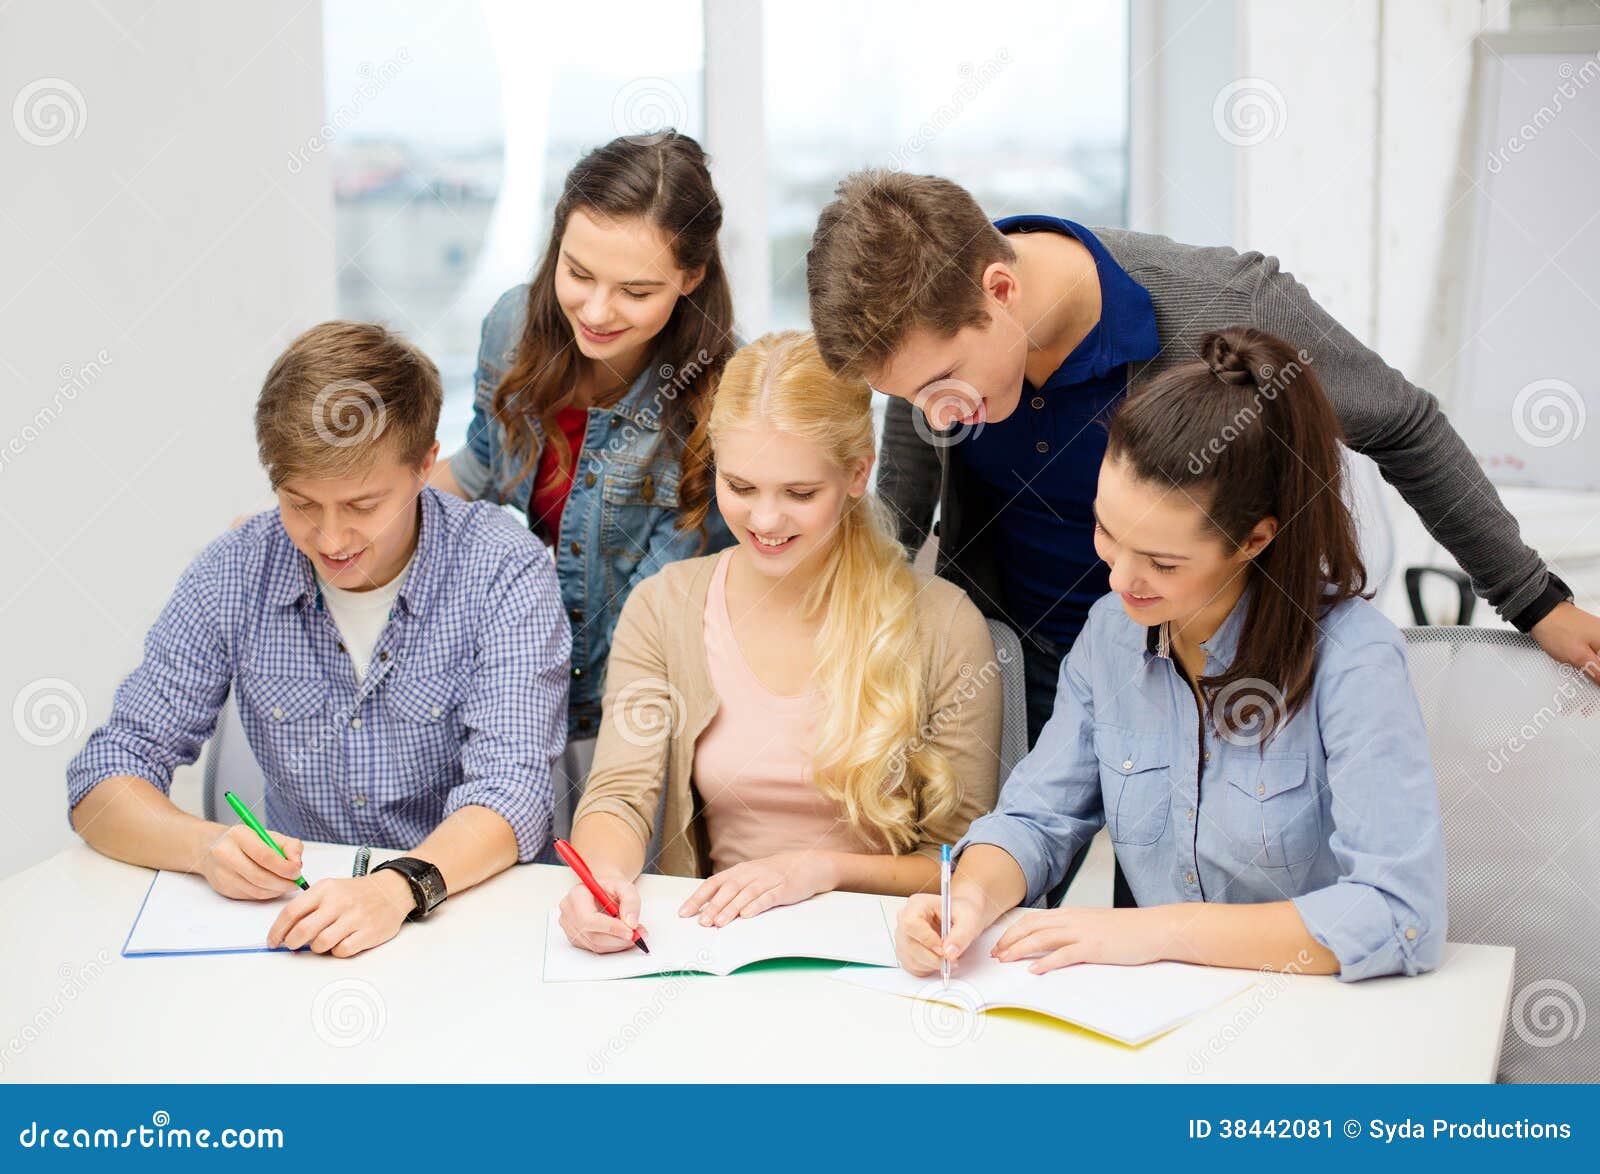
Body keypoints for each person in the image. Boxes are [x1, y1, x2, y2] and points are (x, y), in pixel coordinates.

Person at [806, 170, 1599, 753]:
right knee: (1003, 909)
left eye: (941, 384)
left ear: (1001, 288)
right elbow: (904, 516)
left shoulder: (1229, 307)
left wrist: (1536, 602)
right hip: (1025, 664)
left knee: (1169, 933)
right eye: (907, 396)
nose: (935, 410)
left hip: (1204, 672)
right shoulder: (932, 348)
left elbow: (1405, 425)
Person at [894, 327, 1446, 982]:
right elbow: (1035, 820)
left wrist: (1159, 932)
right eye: (1105, 530)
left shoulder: (1354, 662)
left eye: (1161, 561)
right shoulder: (1111, 635)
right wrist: (969, 898)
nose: (1120, 580)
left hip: (1307, 1024)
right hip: (1152, 1026)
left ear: (1255, 539)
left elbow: (1398, 914)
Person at [67, 322, 570, 957]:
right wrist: (205, 846)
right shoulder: (237, 570)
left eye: (362, 506)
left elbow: (512, 793)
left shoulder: (502, 568)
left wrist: (394, 890)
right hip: (300, 928)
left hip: (465, 921)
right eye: (302, 504)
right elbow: (104, 778)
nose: (332, 541)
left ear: (424, 466)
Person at [557, 332, 1002, 953]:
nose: (765, 521)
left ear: (856, 473)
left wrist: (819, 871)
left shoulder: (944, 625)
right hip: (718, 948)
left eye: (799, 494)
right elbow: (619, 795)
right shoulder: (664, 608)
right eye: (740, 487)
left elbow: (962, 860)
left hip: (888, 956)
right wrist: (602, 878)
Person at [430, 132, 737, 745]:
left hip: (649, 707)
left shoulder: (726, 397)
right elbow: (480, 470)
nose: (596, 312)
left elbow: (659, 614)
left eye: (636, 291)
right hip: (525, 685)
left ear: (692, 278)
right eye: (579, 273)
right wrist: (344, 510)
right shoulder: (513, 329)